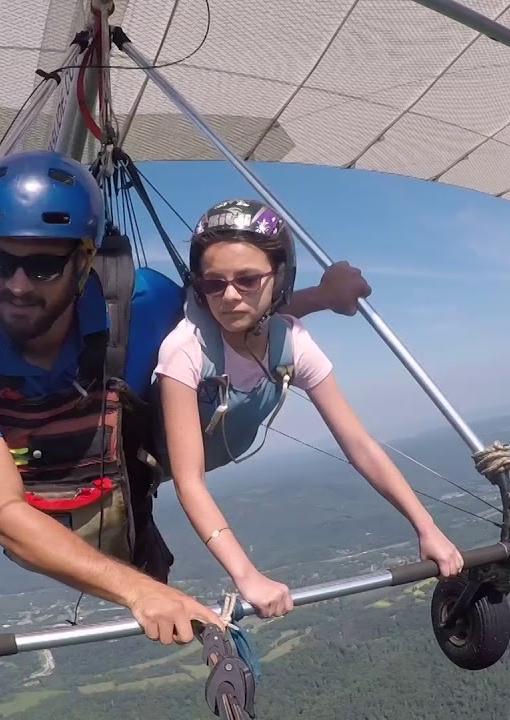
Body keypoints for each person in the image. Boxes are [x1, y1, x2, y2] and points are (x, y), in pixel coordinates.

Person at [0, 151, 373, 646]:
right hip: (42, 518)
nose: (18, 286)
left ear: (84, 260)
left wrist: (322, 297)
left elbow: (232, 317)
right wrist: (139, 592)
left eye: (44, 265)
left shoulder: (145, 303)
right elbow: (5, 514)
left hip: (129, 479)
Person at [151, 198, 465, 620]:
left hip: (224, 435)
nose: (229, 296)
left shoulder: (291, 342)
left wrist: (427, 529)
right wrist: (246, 575)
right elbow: (190, 482)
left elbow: (358, 443)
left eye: (247, 279)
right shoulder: (185, 350)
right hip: (155, 458)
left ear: (278, 278)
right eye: (213, 284)